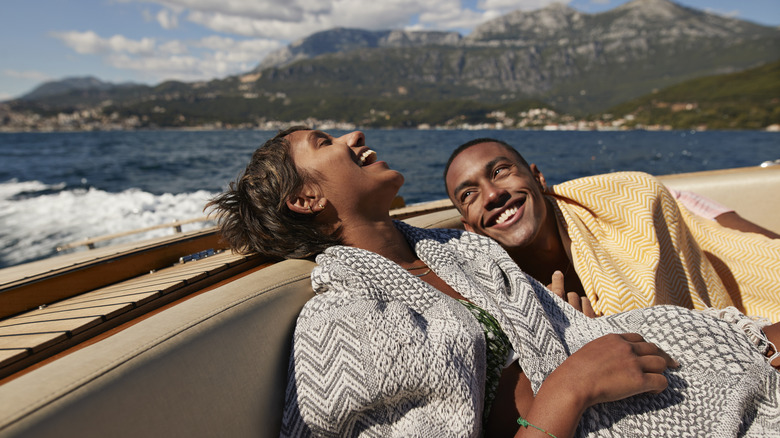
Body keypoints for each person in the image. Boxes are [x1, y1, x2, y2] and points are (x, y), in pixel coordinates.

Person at [208, 127, 779, 437]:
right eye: (325, 142)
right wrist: (568, 388)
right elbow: (563, 376)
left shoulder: (463, 253)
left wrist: (752, 335)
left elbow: (581, 336)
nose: (353, 134)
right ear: (306, 198)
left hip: (678, 392)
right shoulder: (344, 324)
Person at [444, 138, 780, 322]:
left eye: (501, 171)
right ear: (469, 226)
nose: (492, 195)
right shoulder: (489, 292)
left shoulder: (629, 205)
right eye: (468, 194)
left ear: (538, 178)